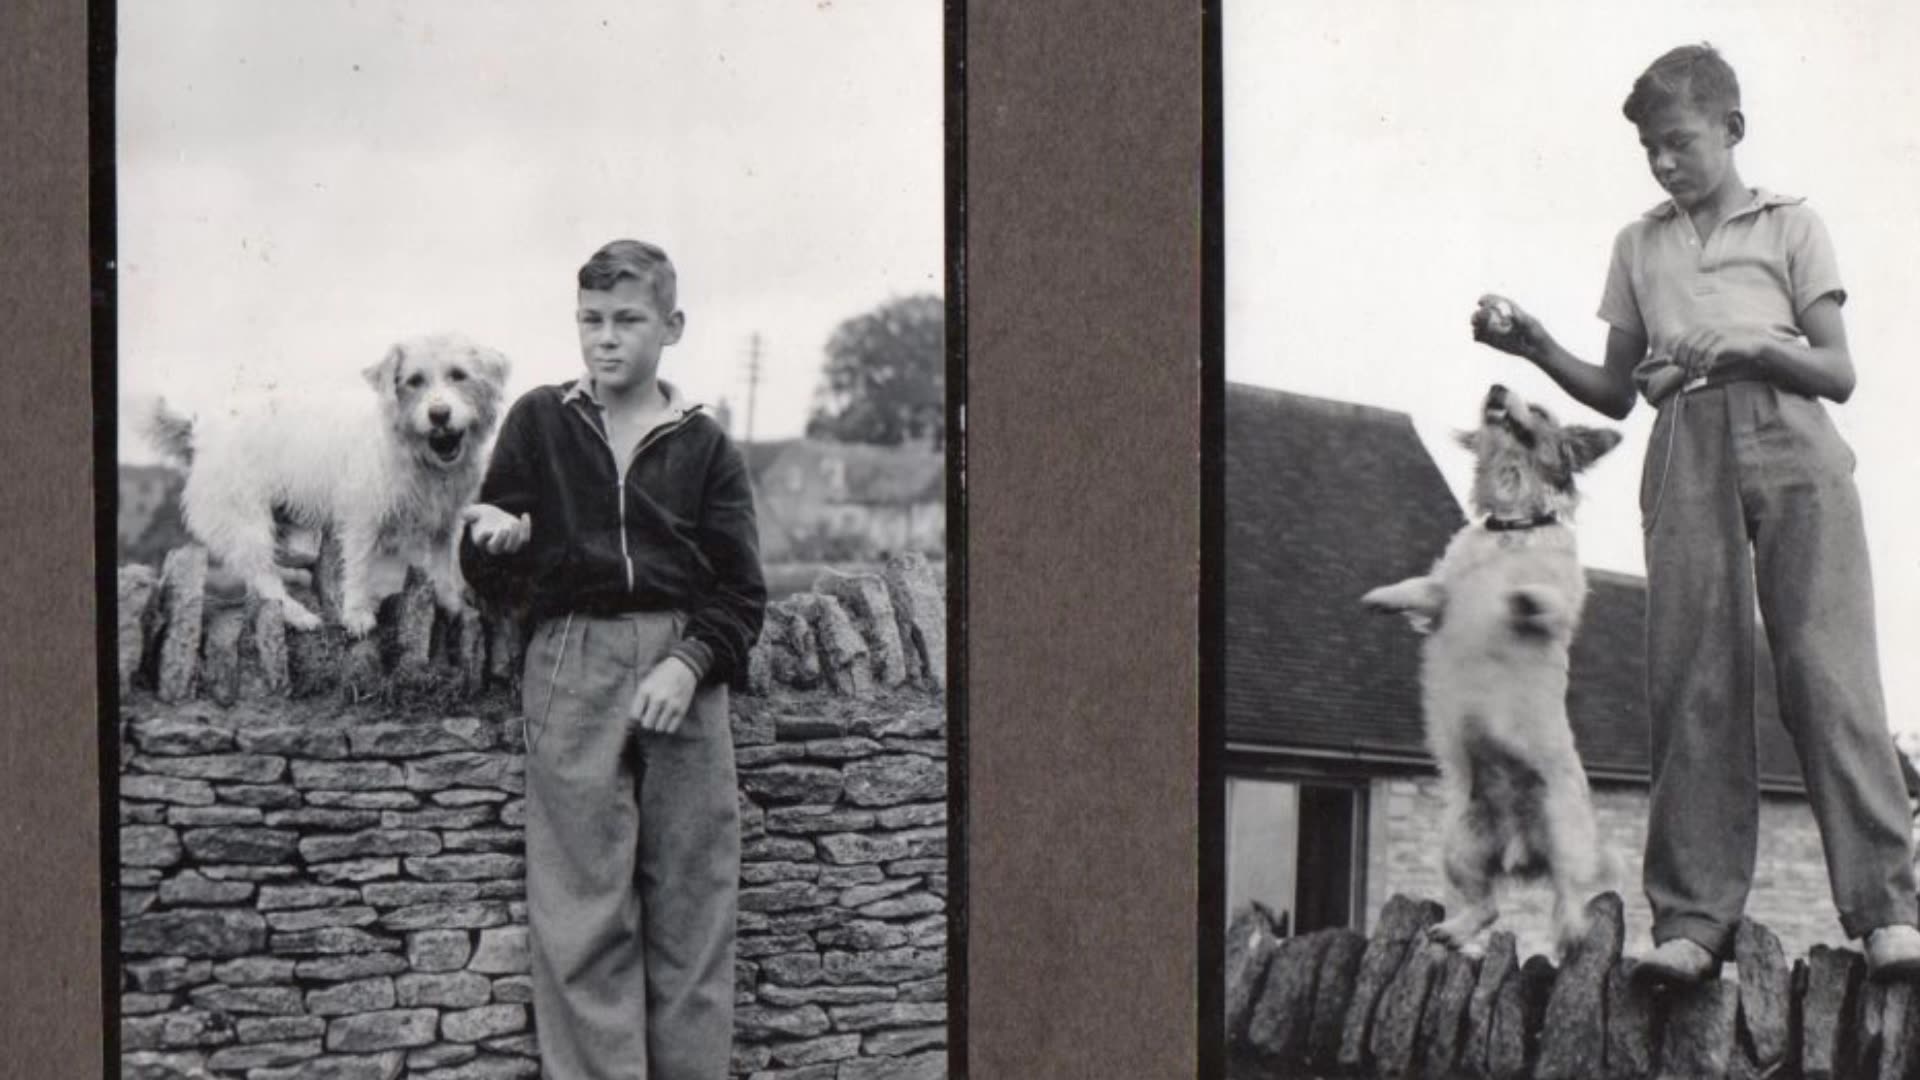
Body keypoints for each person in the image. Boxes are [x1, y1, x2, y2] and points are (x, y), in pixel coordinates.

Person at [1470, 44, 1920, 982]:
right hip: (1683, 443)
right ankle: (1692, 924)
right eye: (1649, 151)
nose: (1665, 164)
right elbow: (1614, 392)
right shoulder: (1639, 243)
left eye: (1679, 143)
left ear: (1731, 130)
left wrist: (1755, 340)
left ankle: (1885, 911)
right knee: (1693, 679)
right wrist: (1534, 343)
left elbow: (1839, 370)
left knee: (1828, 670)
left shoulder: (1793, 226)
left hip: (1793, 437)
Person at [460, 239, 767, 1074]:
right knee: (584, 911)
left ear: (670, 326)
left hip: (682, 675)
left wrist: (691, 661)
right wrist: (494, 543)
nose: (605, 338)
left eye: (627, 320)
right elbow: (494, 574)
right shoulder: (539, 420)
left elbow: (742, 591)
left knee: (695, 908)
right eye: (590, 320)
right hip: (572, 664)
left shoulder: (705, 446)